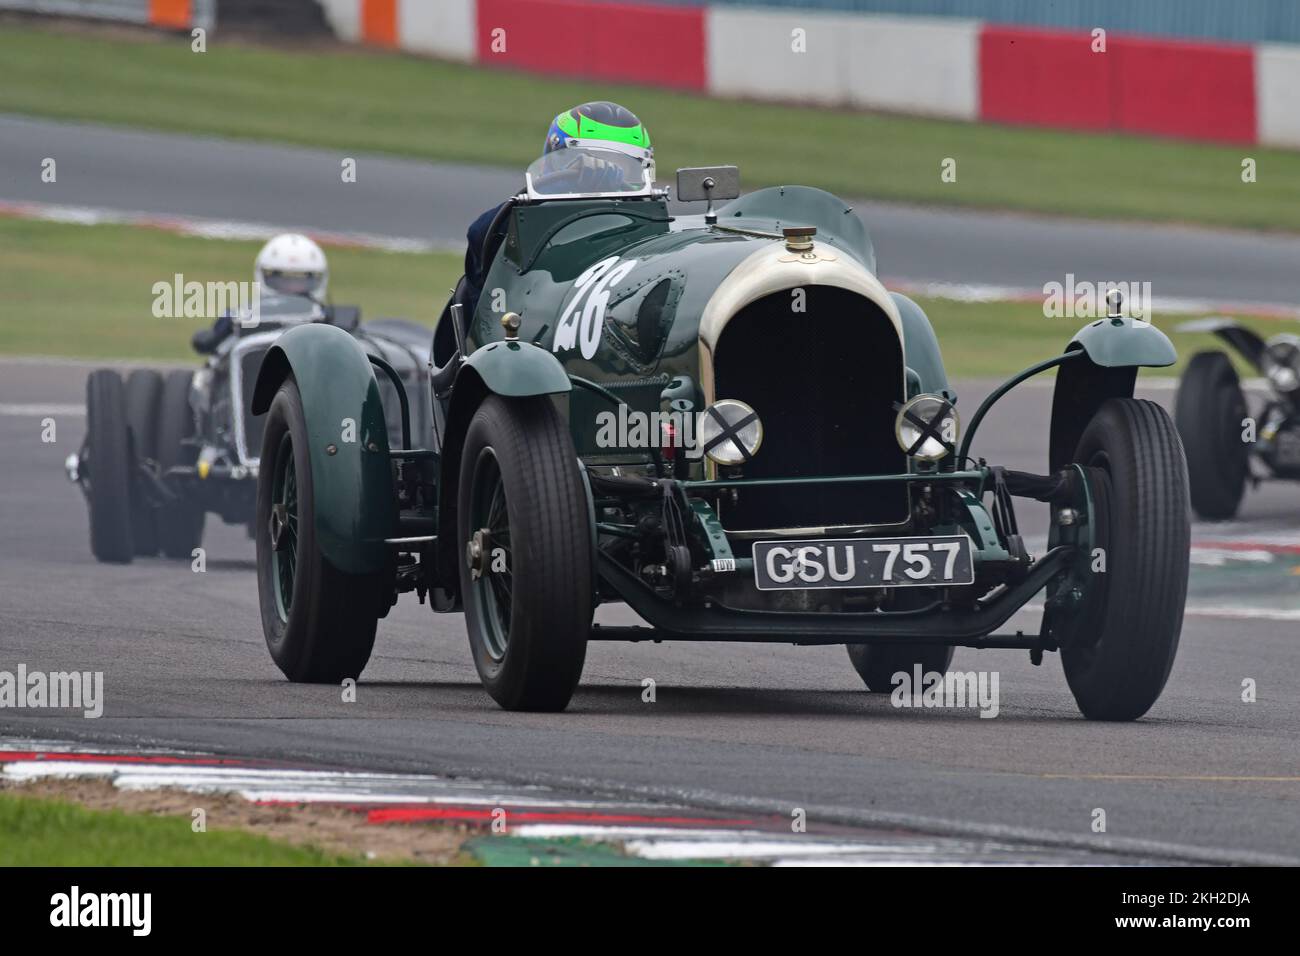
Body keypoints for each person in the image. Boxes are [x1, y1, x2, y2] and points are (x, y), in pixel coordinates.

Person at [460, 101, 652, 321]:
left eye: (621, 165)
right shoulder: (519, 218)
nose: (605, 172)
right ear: (557, 158)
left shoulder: (646, 226)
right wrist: (564, 190)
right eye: (591, 161)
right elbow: (481, 234)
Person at [191, 233, 328, 353]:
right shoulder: (239, 317)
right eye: (282, 280)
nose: (291, 288)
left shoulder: (330, 320)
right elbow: (206, 345)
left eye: (299, 282)